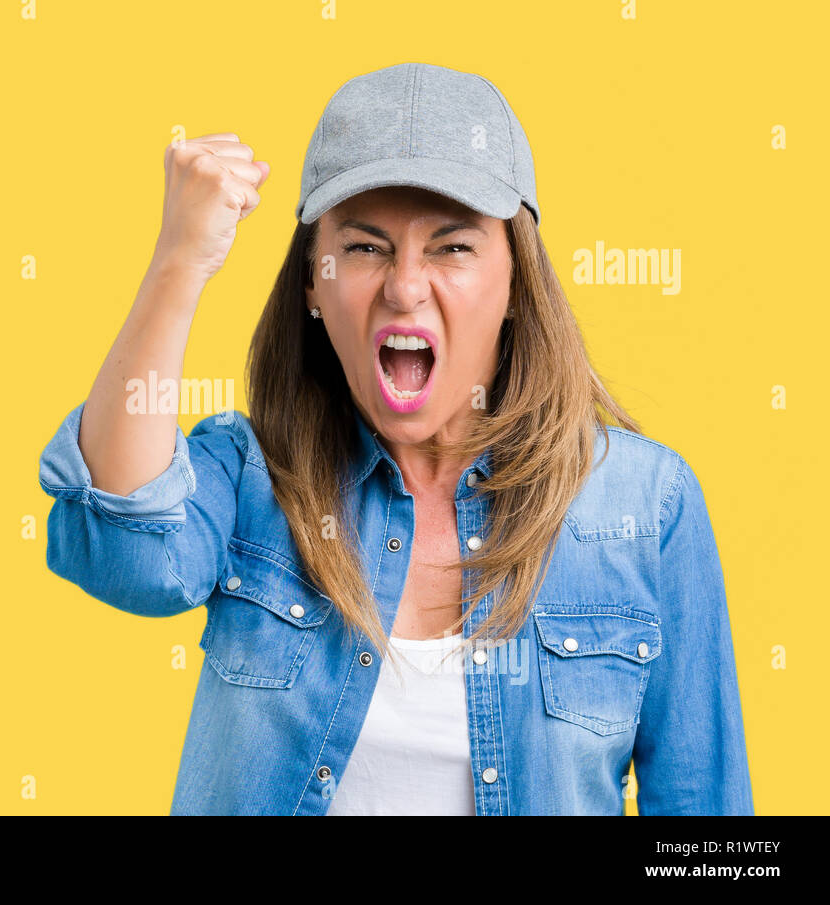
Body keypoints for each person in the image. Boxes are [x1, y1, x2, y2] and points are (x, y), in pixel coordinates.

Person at [38, 61, 754, 815]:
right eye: (365, 247)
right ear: (312, 284)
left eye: (452, 248)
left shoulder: (647, 504)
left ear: (516, 282)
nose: (405, 287)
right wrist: (180, 262)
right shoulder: (253, 476)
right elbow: (127, 552)